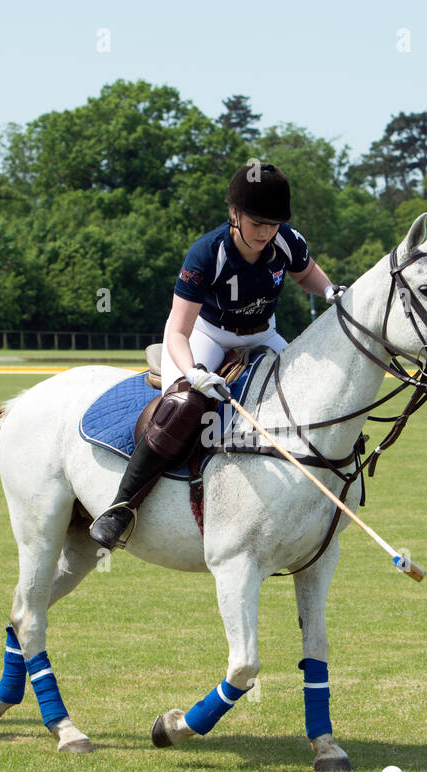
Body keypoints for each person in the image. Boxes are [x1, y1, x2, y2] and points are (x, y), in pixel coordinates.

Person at [89, 162, 340, 549]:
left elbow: (305, 273)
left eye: (272, 224)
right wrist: (193, 372)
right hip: (205, 337)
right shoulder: (208, 253)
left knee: (304, 391)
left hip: (262, 335)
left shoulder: (285, 240)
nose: (265, 233)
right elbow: (177, 330)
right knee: (185, 405)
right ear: (234, 214)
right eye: (257, 223)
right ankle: (121, 507)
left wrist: (328, 292)